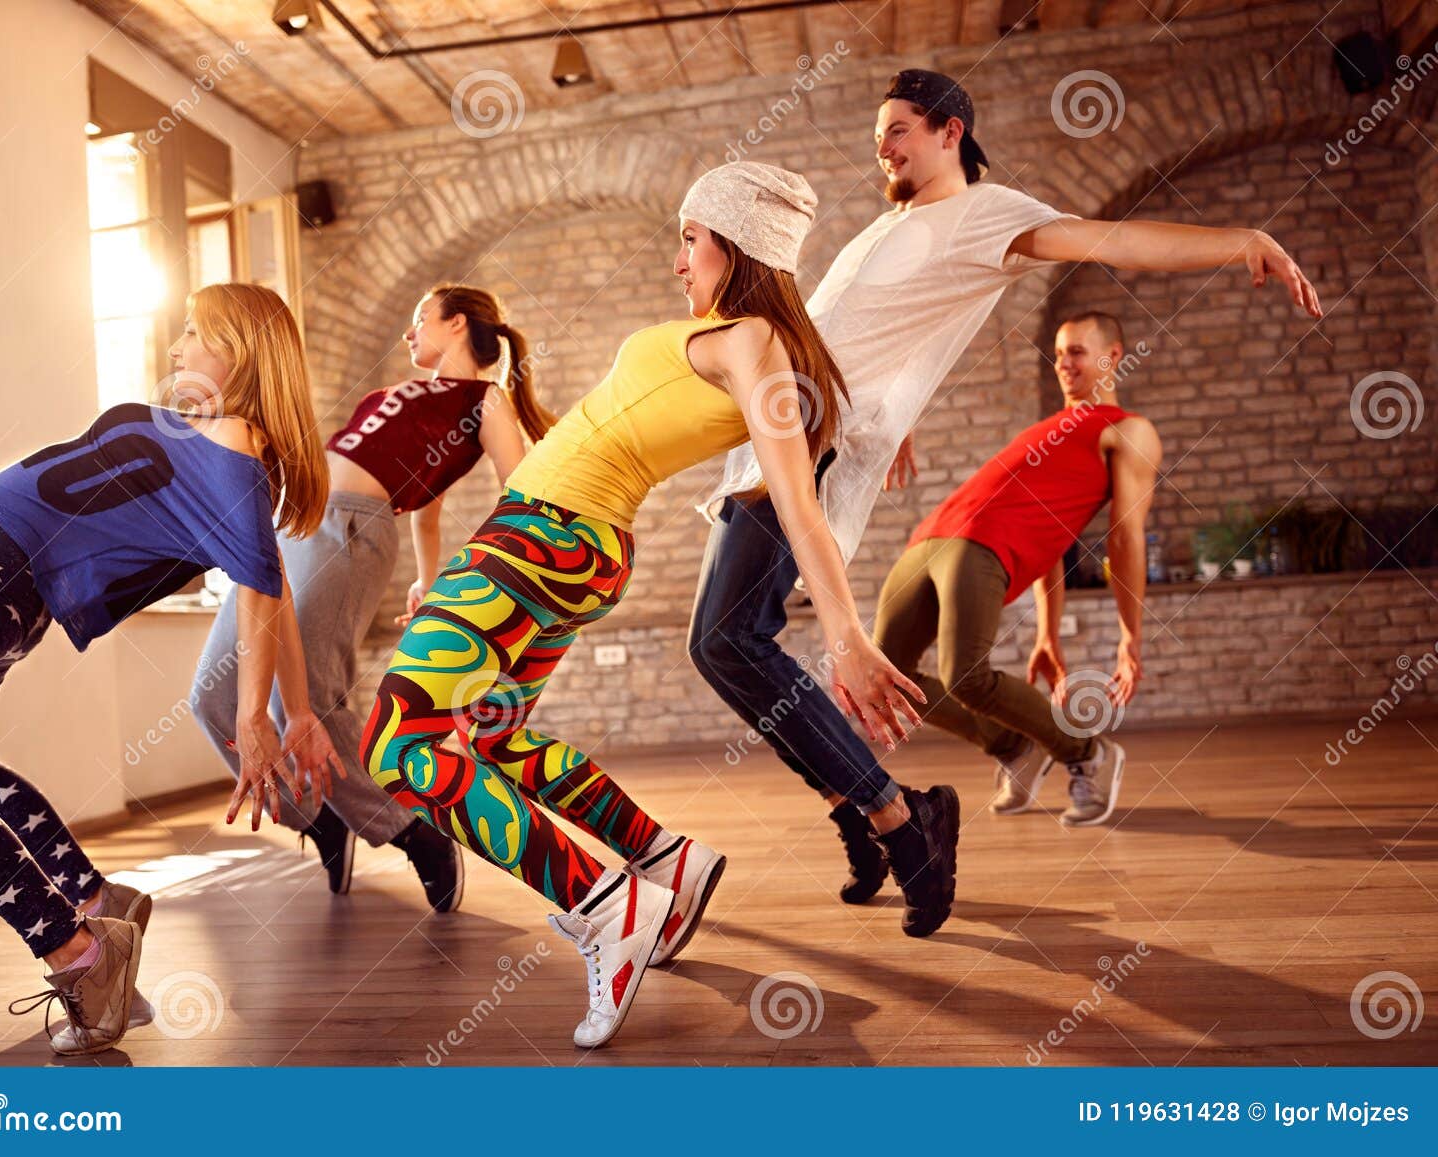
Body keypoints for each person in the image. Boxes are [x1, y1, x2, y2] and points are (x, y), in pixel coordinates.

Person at [689, 69, 1322, 914]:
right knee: (724, 646)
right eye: (880, 132)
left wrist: (1239, 239)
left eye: (900, 129)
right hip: (786, 435)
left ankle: (896, 814)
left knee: (730, 642)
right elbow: (871, 327)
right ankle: (872, 811)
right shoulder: (893, 222)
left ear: (951, 131)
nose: (884, 145)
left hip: (806, 448)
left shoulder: (991, 215)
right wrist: (895, 409)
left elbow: (1112, 239)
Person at [357, 162, 927, 1050]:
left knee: (399, 746)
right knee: (495, 737)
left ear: (736, 246)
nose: (679, 261)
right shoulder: (751, 341)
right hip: (559, 542)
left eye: (691, 239)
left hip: (541, 540)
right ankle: (665, 862)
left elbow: (797, 504)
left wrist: (847, 634)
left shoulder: (751, 346)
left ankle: (606, 903)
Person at [0, 283, 339, 1056]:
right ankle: (97, 900)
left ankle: (79, 951)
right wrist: (296, 711)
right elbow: (266, 577)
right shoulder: (238, 454)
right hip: (8, 580)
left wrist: (255, 718)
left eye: (194, 333)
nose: (176, 349)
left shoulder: (234, 446)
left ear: (238, 352)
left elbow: (259, 587)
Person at [192, 284, 554, 909]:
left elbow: (520, 489)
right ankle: (317, 818)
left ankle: (413, 832)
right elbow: (429, 512)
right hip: (286, 523)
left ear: (459, 322)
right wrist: (424, 575)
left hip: (352, 527)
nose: (409, 334)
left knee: (312, 697)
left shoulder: (485, 398)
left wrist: (473, 577)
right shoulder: (399, 398)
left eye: (421, 320)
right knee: (212, 694)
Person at [875, 310, 1161, 828]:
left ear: (1113, 356)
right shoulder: (1045, 431)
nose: (1063, 364)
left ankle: (1086, 753)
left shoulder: (1127, 430)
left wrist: (1130, 634)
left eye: (1076, 351)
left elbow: (1125, 536)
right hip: (931, 539)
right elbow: (1050, 540)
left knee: (964, 676)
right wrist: (1047, 635)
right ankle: (1015, 747)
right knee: (887, 677)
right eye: (1057, 354)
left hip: (979, 548)